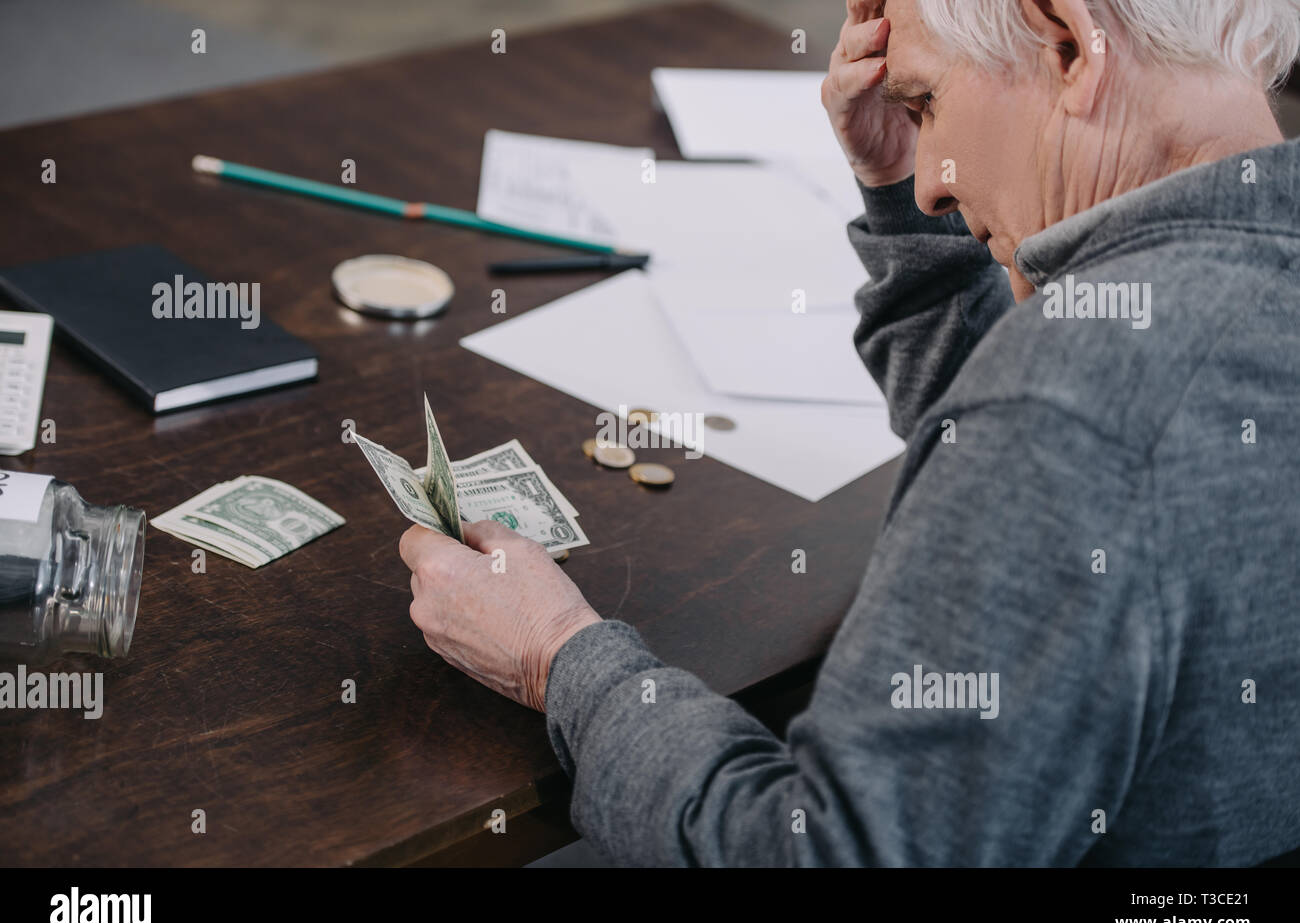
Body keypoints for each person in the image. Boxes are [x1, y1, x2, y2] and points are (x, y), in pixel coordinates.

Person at [399, 0, 1300, 865]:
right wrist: (893, 192)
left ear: (1070, 41)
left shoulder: (1065, 416)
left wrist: (558, 657)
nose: (934, 181)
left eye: (927, 103)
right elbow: (1058, 490)